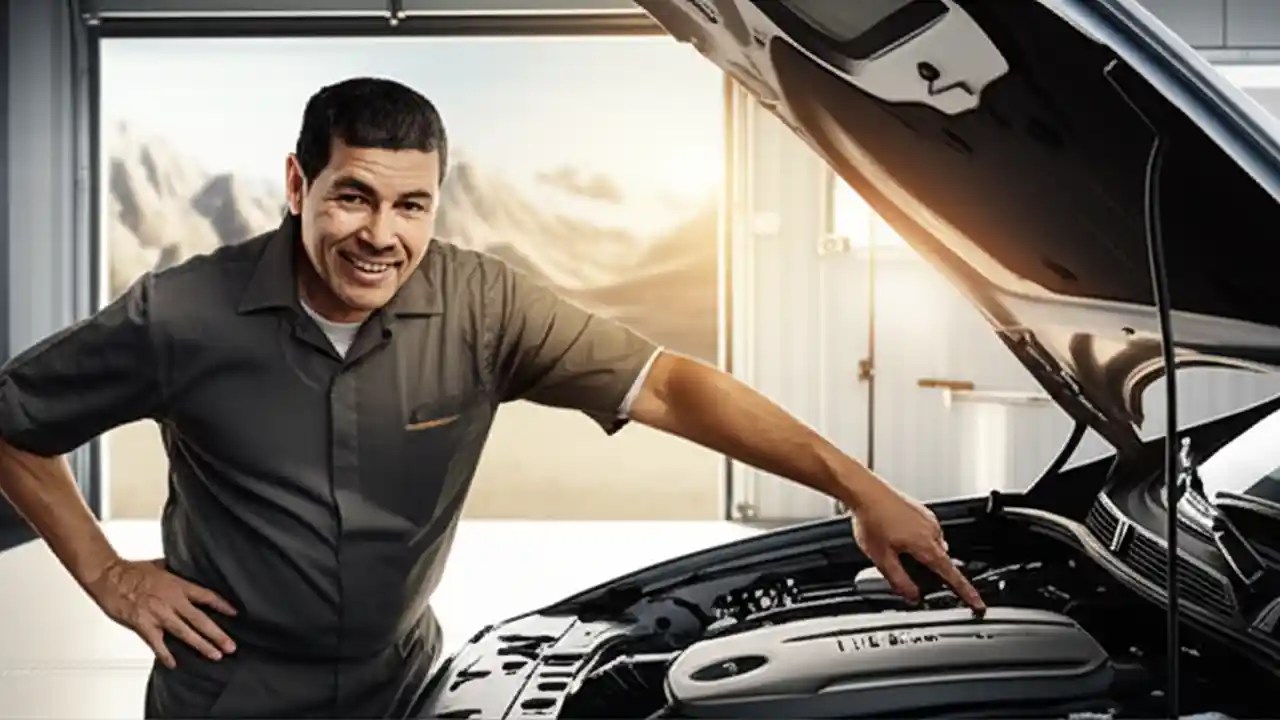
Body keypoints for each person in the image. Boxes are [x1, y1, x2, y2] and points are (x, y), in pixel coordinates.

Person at [0, 77, 984, 718]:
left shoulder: (485, 304)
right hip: (226, 694)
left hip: (406, 687)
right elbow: (13, 424)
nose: (379, 233)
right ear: (298, 185)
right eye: (352, 196)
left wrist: (856, 488)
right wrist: (107, 576)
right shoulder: (181, 314)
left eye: (410, 205)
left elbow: (670, 386)